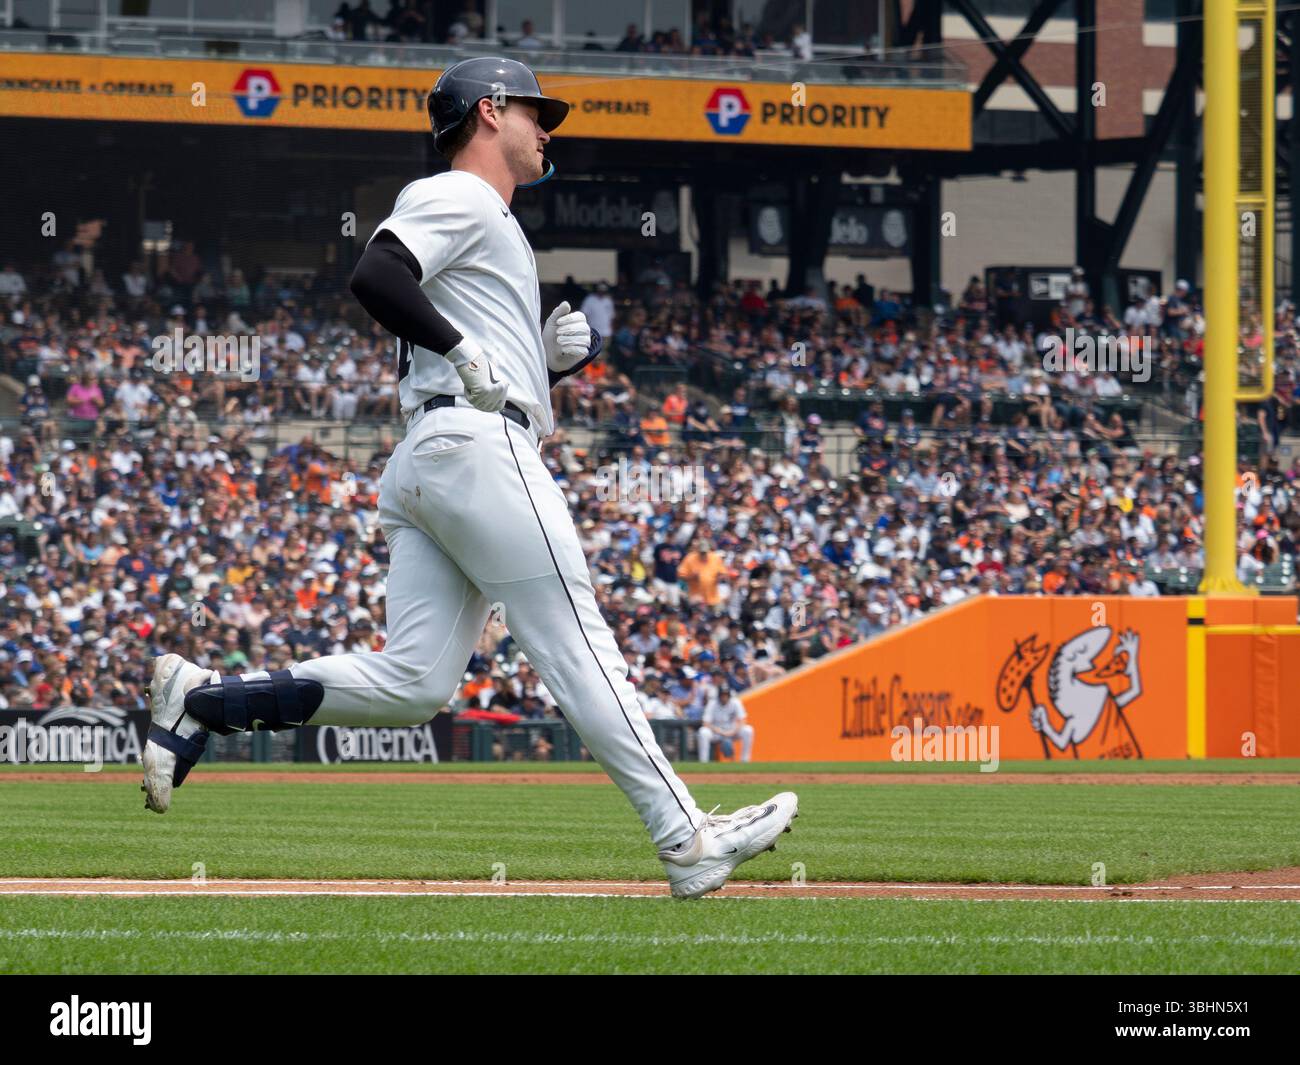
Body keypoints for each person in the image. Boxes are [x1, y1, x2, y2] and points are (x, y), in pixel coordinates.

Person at [141, 56, 797, 901]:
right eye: (534, 110)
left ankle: (206, 699)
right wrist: (470, 353)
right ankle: (686, 838)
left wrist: (541, 370)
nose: (545, 126)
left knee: (415, 682)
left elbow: (465, 353)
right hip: (475, 447)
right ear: (489, 112)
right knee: (578, 643)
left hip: (437, 451)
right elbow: (375, 274)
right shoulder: (460, 193)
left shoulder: (487, 217)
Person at [698, 683, 755, 761]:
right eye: (722, 694)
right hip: (716, 732)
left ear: (729, 695)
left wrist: (732, 732)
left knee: (748, 730)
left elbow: (743, 720)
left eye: (726, 694)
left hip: (732, 732)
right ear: (719, 695)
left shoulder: (735, 702)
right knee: (703, 732)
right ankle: (703, 762)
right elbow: (705, 723)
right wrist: (720, 731)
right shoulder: (712, 703)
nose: (724, 696)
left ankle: (745, 761)